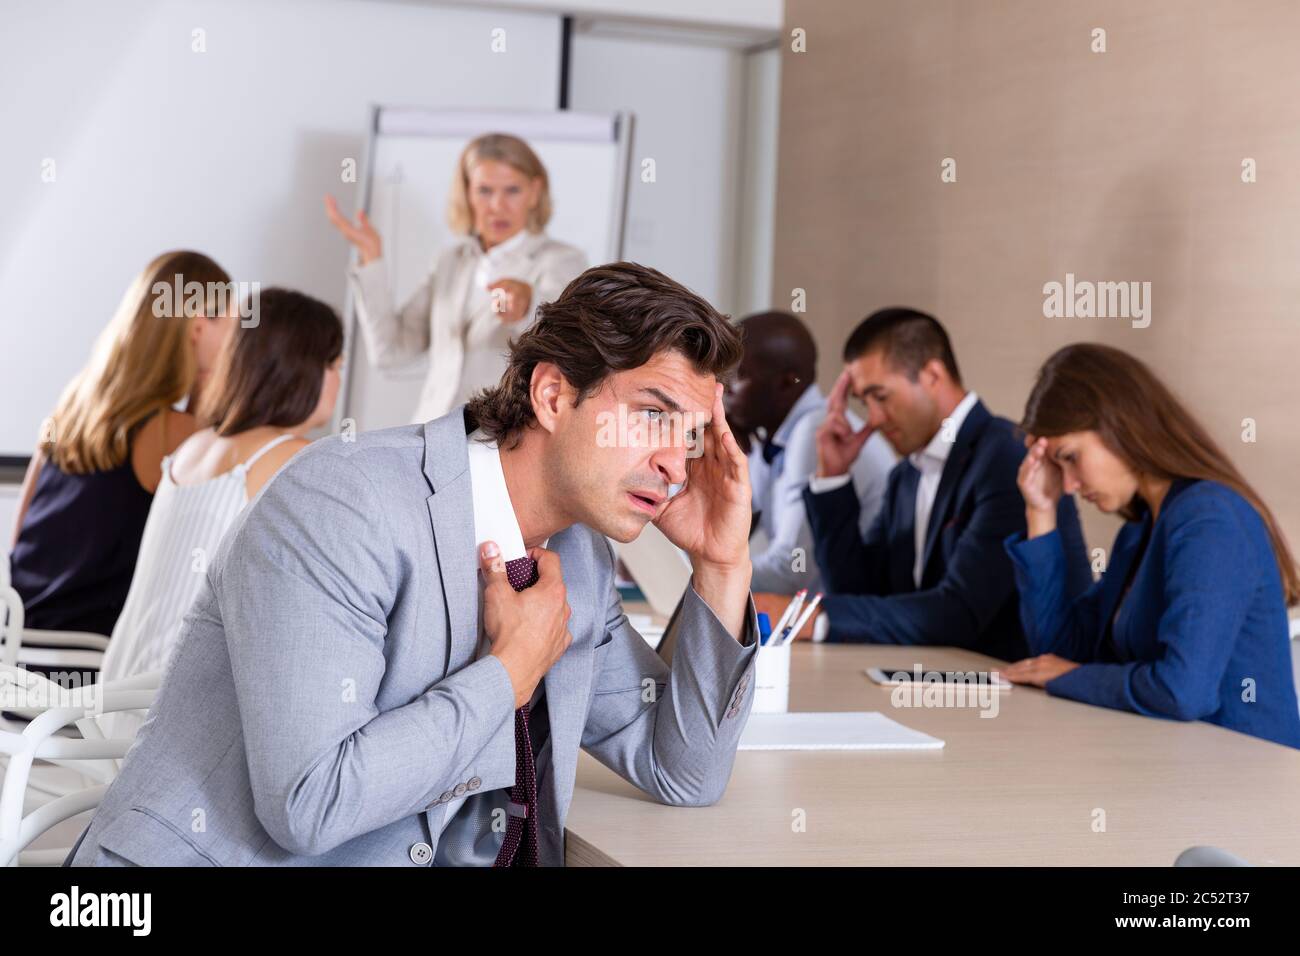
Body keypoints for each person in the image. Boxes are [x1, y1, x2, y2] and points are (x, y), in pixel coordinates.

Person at [67, 261, 760, 867]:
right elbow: (313, 805)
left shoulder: (577, 554)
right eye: (651, 415)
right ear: (553, 396)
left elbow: (684, 772)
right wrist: (509, 674)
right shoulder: (343, 502)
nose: (676, 463)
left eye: (691, 436)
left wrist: (722, 564)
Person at [1002, 344, 1300, 749]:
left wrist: (1066, 675)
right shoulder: (1141, 532)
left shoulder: (1208, 520)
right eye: (1058, 466)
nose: (1069, 484)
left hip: (1245, 785)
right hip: (1176, 769)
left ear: (1119, 426)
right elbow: (1055, 654)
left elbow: (1183, 691)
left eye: (1071, 457)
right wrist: (1041, 511)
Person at [799, 308, 1091, 659]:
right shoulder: (904, 477)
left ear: (932, 375)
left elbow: (958, 614)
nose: (873, 419)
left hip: (1017, 697)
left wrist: (816, 618)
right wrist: (833, 478)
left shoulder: (1008, 457)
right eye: (864, 403)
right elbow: (858, 594)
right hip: (929, 685)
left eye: (881, 396)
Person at [98, 288, 344, 700]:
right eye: (334, 363)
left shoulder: (192, 446)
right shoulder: (290, 457)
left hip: (116, 690)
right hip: (167, 709)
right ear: (302, 368)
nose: (340, 377)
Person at [8, 250, 233, 641]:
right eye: (232, 322)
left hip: (18, 651)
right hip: (95, 665)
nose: (236, 341)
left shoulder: (70, 409)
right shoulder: (177, 434)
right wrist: (210, 389)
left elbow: (18, 540)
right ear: (199, 326)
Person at [325, 132, 587, 423]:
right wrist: (371, 259)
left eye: (512, 190)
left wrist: (528, 303)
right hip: (430, 434)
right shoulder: (451, 262)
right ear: (467, 193)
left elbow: (566, 345)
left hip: (500, 439)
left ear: (535, 192)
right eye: (485, 191)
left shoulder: (561, 261)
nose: (497, 206)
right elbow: (391, 350)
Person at [723, 310, 894, 594]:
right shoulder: (771, 441)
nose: (723, 389)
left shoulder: (816, 431)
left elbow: (790, 573)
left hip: (853, 620)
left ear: (787, 383)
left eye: (738, 376)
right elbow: (726, 538)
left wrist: (702, 582)